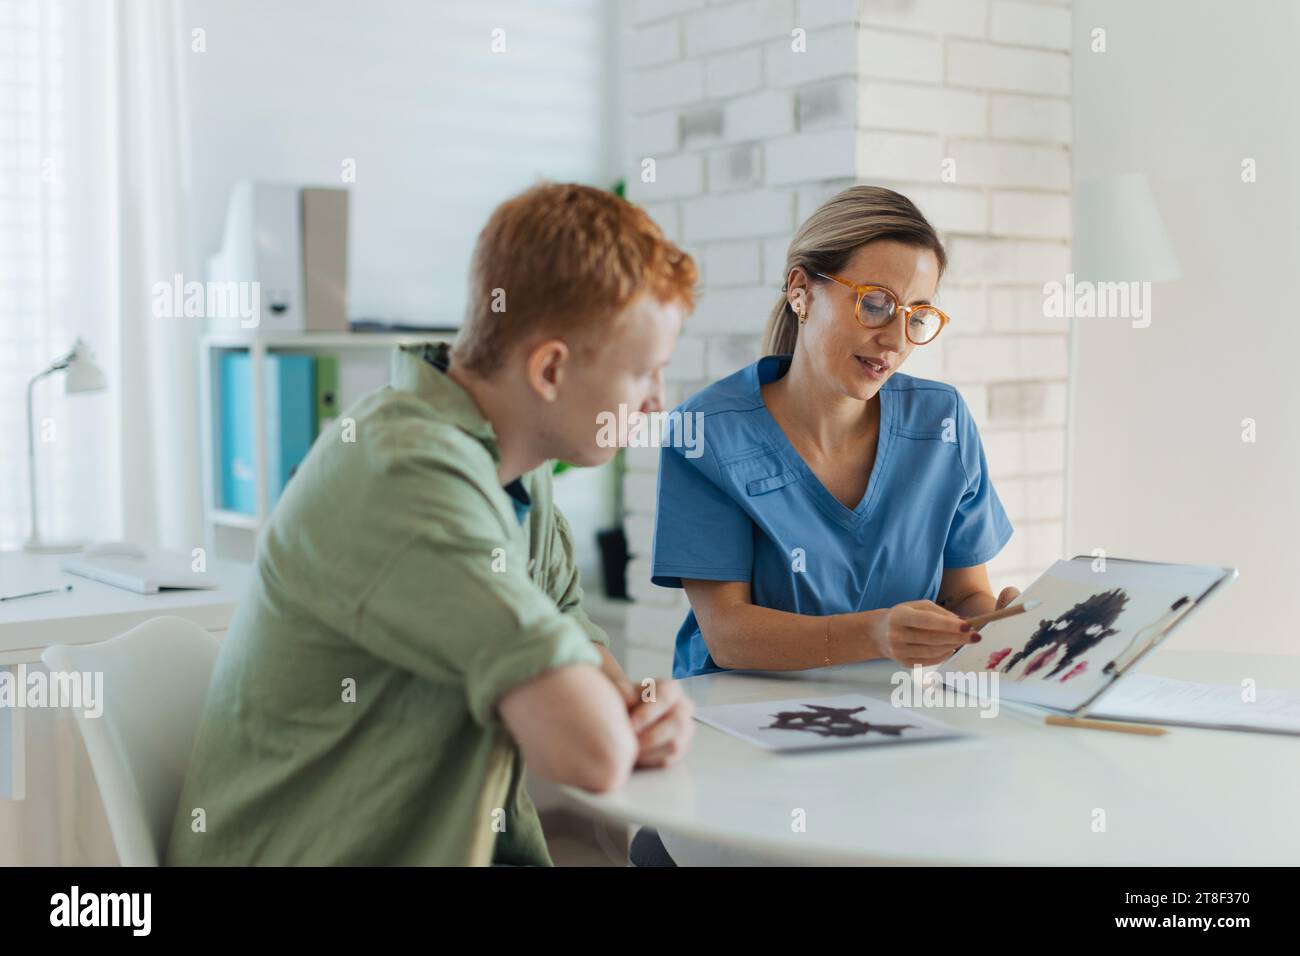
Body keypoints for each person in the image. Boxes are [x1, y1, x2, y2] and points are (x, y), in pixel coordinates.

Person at [167, 182, 697, 866]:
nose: (657, 407)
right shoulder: (405, 476)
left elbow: (586, 665)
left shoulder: (515, 461)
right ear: (551, 369)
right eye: (644, 375)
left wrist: (642, 711)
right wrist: (615, 719)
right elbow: (591, 752)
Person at [652, 185, 1021, 680]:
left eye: (917, 315)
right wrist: (873, 633)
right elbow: (728, 634)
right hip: (739, 718)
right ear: (801, 291)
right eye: (875, 304)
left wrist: (990, 623)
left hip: (889, 713)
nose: (894, 339)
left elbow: (963, 594)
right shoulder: (706, 433)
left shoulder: (942, 422)